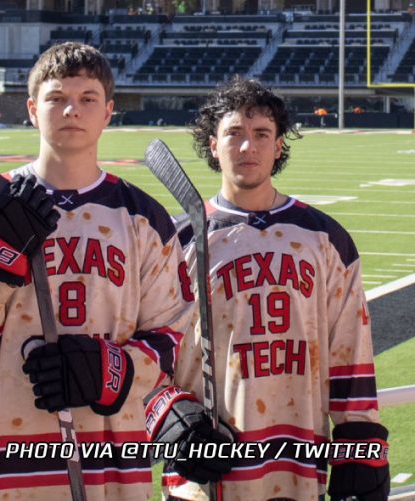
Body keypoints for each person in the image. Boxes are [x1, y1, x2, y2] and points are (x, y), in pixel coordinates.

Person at [0, 42, 195, 500]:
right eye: (57, 98)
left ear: (108, 111)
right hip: (2, 447)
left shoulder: (144, 217)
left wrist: (108, 370)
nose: (72, 109)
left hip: (109, 454)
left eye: (88, 99)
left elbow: (171, 334)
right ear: (33, 109)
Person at [145, 77, 389, 500]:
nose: (247, 147)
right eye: (233, 134)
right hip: (206, 471)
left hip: (299, 462)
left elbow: (349, 348)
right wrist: (169, 416)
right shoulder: (177, 241)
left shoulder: (325, 238)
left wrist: (361, 442)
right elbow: (146, 349)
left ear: (278, 146)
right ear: (212, 144)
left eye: (261, 134)